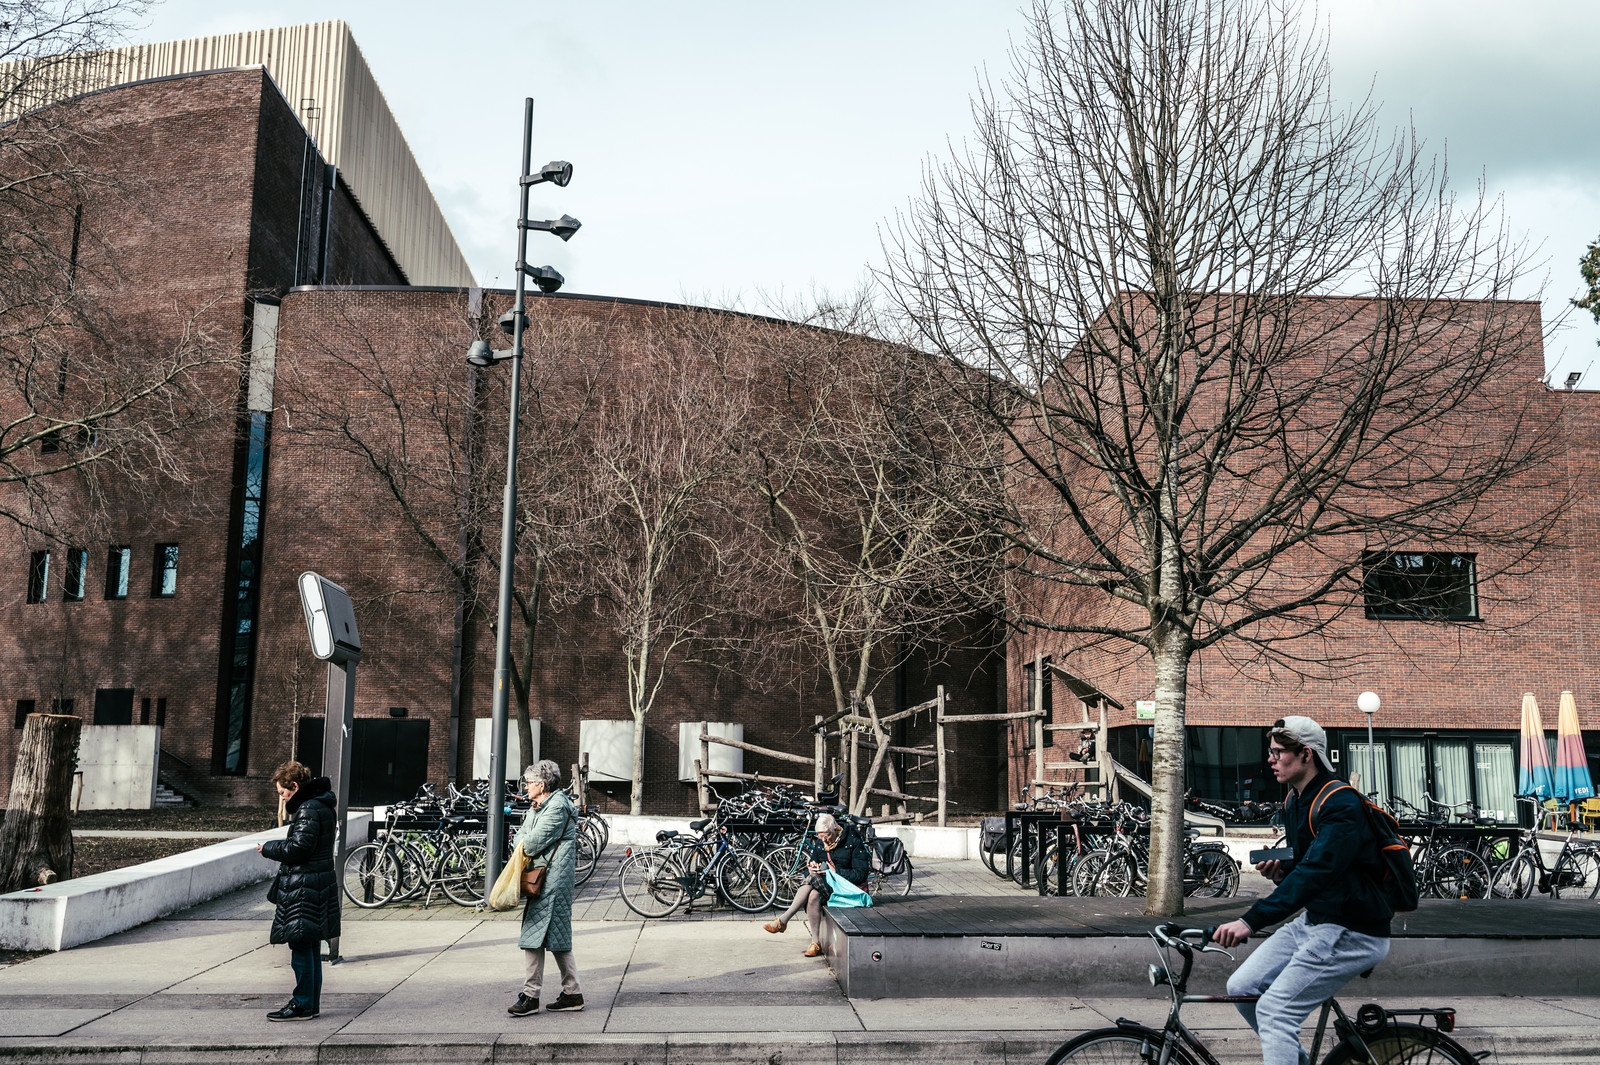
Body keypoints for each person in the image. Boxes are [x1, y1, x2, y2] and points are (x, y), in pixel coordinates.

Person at [1213, 716, 1392, 1065]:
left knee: (1275, 1013)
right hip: (1317, 920)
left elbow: (1317, 872)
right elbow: (1308, 868)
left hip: (1352, 929)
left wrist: (1250, 921)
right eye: (1270, 751)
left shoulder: (1340, 803)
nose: (1270, 759)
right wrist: (1281, 873)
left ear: (1306, 755)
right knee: (1242, 988)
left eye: (1278, 752)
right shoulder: (1296, 801)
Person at [255, 761, 339, 1022]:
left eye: (283, 792)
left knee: (301, 948)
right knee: (310, 946)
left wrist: (267, 847)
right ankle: (310, 1003)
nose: (282, 797)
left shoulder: (308, 808)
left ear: (294, 786)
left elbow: (298, 848)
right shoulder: (321, 805)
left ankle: (302, 1004)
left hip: (304, 886)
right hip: (317, 882)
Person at [507, 759, 584, 1017]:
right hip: (546, 878)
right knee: (557, 937)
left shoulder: (556, 808)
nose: (526, 787)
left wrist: (524, 838)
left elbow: (529, 845)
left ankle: (531, 996)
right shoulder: (539, 806)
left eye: (529, 783)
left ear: (541, 785)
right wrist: (524, 836)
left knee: (533, 936)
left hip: (551, 880)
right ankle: (572, 993)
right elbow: (520, 837)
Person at [761, 812, 870, 957]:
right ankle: (815, 943)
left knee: (812, 881)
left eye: (826, 836)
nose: (824, 840)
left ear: (835, 830)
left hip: (848, 890)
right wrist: (811, 869)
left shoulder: (853, 842)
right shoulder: (820, 843)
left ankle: (783, 920)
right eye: (820, 836)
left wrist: (835, 871)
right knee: (813, 895)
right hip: (828, 887)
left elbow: (861, 874)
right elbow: (812, 868)